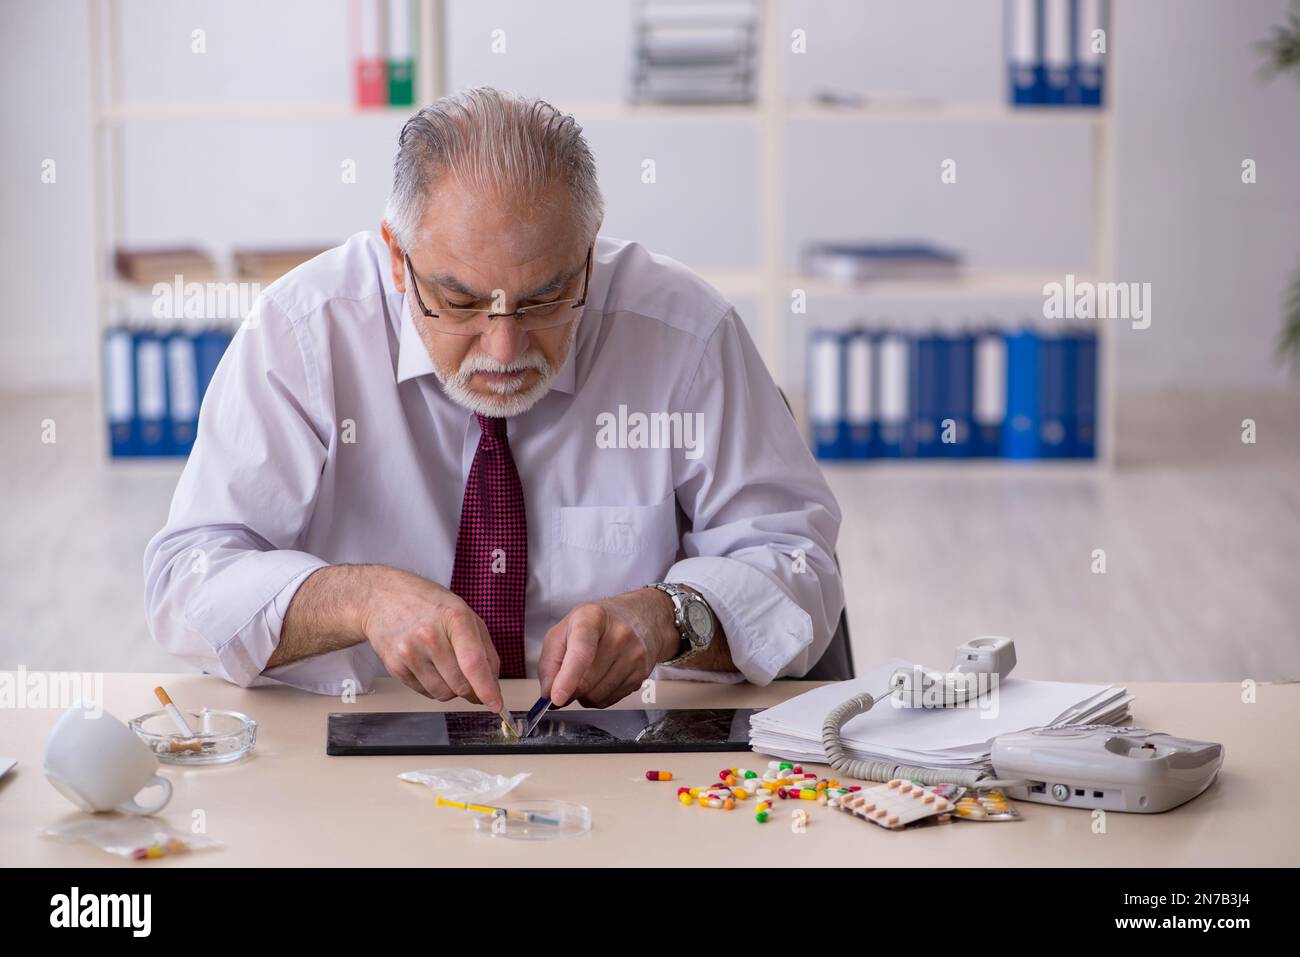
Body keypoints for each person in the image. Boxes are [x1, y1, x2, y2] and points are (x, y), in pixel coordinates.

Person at [143, 87, 844, 714]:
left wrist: (670, 616)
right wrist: (360, 598)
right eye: (461, 301)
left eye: (544, 299)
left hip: (620, 755)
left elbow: (796, 562)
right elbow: (188, 580)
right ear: (397, 257)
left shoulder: (685, 334)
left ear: (590, 255)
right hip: (357, 744)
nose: (505, 352)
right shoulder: (304, 330)